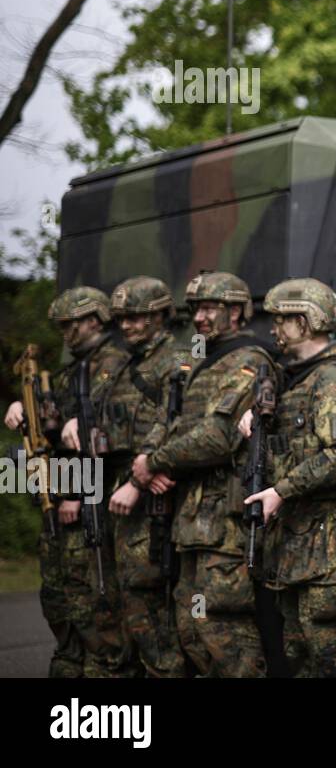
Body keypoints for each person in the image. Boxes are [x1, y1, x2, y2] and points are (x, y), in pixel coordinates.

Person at [136, 271, 273, 677]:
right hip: (193, 521)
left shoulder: (251, 360)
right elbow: (174, 421)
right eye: (195, 308)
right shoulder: (203, 363)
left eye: (209, 307)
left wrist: (156, 462)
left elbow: (218, 437)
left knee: (224, 631)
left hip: (226, 523)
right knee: (192, 631)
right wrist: (147, 461)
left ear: (236, 311)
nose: (199, 317)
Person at [239, 278, 336, 677]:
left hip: (328, 554)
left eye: (281, 320)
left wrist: (282, 489)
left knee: (334, 660)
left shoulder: (334, 380)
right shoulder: (290, 378)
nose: (274, 329)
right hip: (296, 551)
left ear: (306, 321)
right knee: (300, 657)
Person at [4, 287, 129, 677]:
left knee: (93, 609)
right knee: (59, 602)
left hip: (94, 503)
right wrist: (23, 411)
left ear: (93, 320)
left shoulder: (116, 364)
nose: (64, 332)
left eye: (70, 324)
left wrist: (76, 492)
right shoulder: (72, 369)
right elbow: (55, 431)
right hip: (59, 498)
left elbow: (114, 440)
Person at [100, 277, 183, 677]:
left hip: (155, 501)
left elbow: (176, 421)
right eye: (122, 319)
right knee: (127, 600)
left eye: (135, 318)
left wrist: (146, 472)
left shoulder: (175, 362)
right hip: (124, 493)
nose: (127, 326)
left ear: (158, 316)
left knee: (148, 603)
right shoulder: (125, 364)